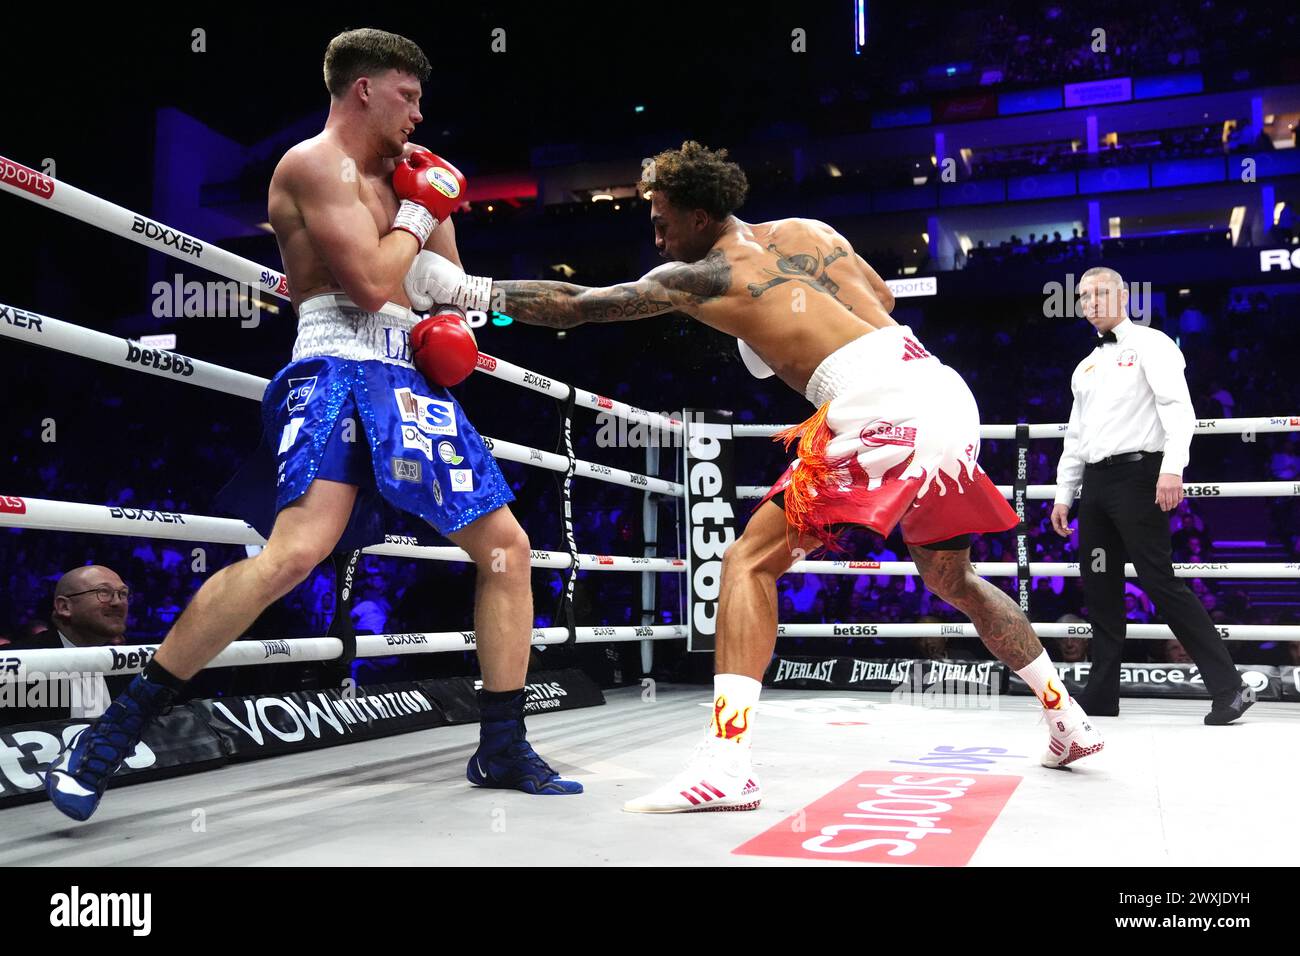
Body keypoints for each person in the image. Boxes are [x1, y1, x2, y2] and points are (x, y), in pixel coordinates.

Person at [408, 140, 1103, 813]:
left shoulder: (700, 275)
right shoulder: (809, 230)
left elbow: (580, 305)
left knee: (745, 565)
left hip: (879, 408)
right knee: (952, 579)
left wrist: (462, 287)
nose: (654, 237)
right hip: (942, 391)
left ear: (699, 217)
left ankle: (728, 765)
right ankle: (1066, 719)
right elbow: (883, 297)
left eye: (660, 221)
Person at [44, 28, 578, 823]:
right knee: (294, 554)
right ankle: (112, 734)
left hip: (407, 377)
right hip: (332, 365)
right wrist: (421, 212)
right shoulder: (310, 165)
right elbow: (366, 283)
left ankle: (501, 743)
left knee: (508, 549)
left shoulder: (410, 177)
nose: (419, 114)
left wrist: (452, 308)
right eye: (408, 95)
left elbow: (447, 288)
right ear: (363, 88)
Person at [1050, 266, 1252, 725]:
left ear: (1122, 295)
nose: (1090, 304)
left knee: (1160, 582)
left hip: (1141, 478)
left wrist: (1171, 468)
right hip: (1096, 488)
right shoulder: (1086, 366)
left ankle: (1230, 687)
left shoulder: (1153, 344)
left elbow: (1178, 409)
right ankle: (1102, 694)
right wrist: (1065, 494)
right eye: (1082, 297)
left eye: (1100, 294)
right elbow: (1075, 435)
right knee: (1100, 589)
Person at [0, 566, 132, 727]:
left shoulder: (131, 664)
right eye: (104, 592)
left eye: (123, 593)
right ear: (64, 607)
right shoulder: (13, 665)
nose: (119, 602)